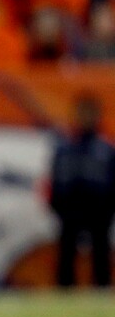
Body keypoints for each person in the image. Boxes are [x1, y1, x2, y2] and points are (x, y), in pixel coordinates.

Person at [49, 93, 115, 287]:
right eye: (82, 113)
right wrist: (58, 205)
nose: (86, 118)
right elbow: (55, 179)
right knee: (66, 252)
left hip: (99, 209)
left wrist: (108, 208)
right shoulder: (64, 148)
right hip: (70, 208)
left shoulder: (106, 149)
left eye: (90, 113)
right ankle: (64, 290)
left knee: (100, 252)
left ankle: (101, 289)